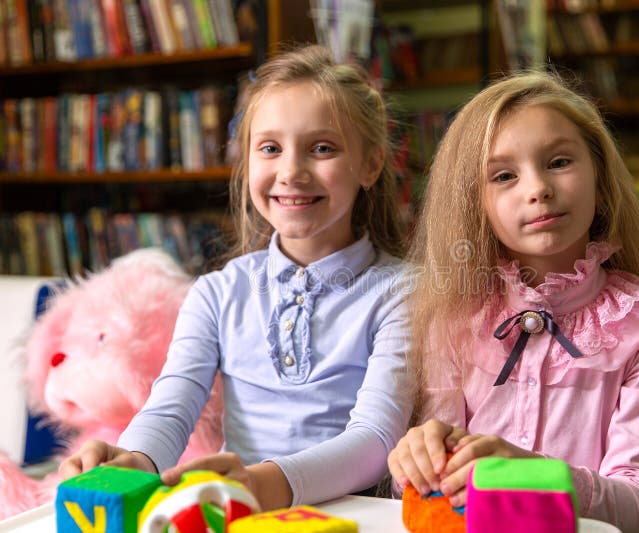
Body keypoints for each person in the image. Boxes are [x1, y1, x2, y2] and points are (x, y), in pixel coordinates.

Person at [60, 45, 414, 512]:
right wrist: (132, 461)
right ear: (247, 163)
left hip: (356, 516)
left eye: (322, 148)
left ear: (370, 165)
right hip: (239, 512)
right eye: (270, 148)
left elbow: (375, 439)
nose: (291, 171)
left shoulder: (402, 291)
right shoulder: (217, 292)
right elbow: (172, 406)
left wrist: (257, 483)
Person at [387, 71, 639, 532]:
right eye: (505, 176)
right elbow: (434, 495)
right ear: (477, 206)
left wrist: (532, 475)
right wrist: (418, 462)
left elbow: (637, 506)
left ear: (603, 181)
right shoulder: (451, 320)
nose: (538, 188)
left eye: (559, 162)